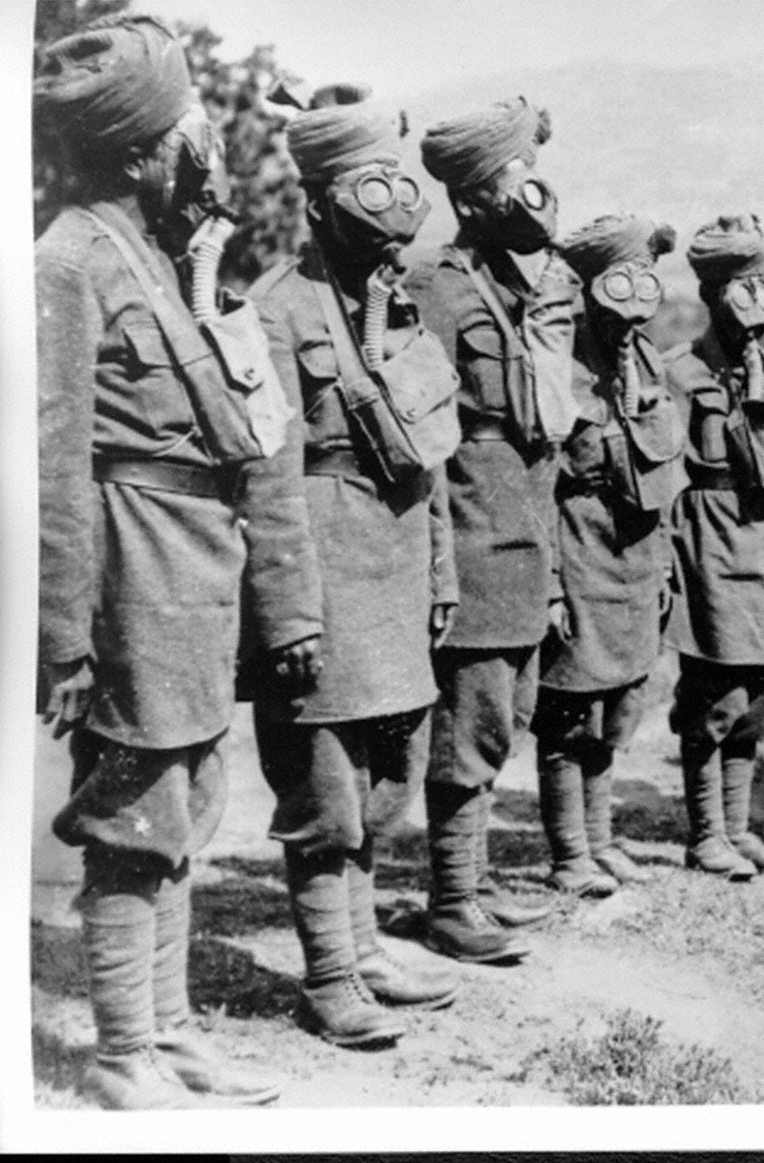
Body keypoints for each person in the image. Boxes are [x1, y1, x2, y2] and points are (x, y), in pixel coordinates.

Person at [34, 13, 300, 1107]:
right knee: (131, 818)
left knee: (186, 802)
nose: (212, 142)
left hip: (196, 564)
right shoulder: (67, 262)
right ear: (142, 146)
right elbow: (50, 466)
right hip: (131, 568)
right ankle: (120, 1056)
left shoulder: (161, 252)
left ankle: (172, 1033)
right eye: (194, 126)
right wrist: (62, 632)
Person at [246, 83, 466, 1048]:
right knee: (324, 794)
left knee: (388, 777)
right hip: (325, 574)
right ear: (321, 200)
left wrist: (441, 571)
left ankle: (368, 946)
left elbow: (430, 452)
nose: (390, 214)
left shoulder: (399, 302)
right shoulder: (273, 312)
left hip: (397, 563)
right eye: (367, 191)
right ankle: (330, 976)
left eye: (396, 186)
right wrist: (290, 611)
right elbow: (266, 476)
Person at [406, 98, 582, 920]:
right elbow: (429, 434)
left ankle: (469, 887)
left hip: (523, 524)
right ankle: (450, 901)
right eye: (520, 180)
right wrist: (439, 559)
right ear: (475, 196)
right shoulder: (437, 286)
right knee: (469, 723)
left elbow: (544, 431)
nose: (537, 198)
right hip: (474, 527)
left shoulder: (524, 287)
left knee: (506, 715)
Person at [532, 214, 685, 891]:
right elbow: (541, 483)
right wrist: (553, 584)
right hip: (580, 547)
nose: (631, 310)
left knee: (619, 702)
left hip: (636, 553)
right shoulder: (558, 363)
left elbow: (660, 470)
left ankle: (599, 840)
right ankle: (569, 854)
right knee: (569, 711)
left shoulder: (646, 360)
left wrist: (665, 562)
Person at [664, 213, 764, 880]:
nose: (752, 305)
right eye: (738, 288)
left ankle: (738, 827)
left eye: (763, 288)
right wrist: (670, 562)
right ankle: (706, 835)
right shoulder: (679, 375)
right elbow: (664, 474)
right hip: (713, 535)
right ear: (710, 296)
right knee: (716, 691)